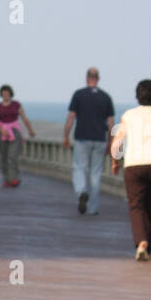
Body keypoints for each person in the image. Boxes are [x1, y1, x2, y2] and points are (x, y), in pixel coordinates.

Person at [64, 67, 115, 216]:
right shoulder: (106, 97)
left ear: (87, 78)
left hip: (82, 138)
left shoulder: (79, 95)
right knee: (95, 173)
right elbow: (111, 122)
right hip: (100, 139)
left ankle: (81, 192)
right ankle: (93, 208)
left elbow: (71, 117)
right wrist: (110, 141)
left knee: (79, 168)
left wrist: (65, 135)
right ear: (98, 78)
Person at [110, 80, 151, 260]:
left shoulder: (129, 115)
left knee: (137, 206)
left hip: (133, 165)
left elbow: (118, 140)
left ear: (137, 96)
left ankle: (142, 242)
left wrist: (115, 161)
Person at [0, 85, 35, 186]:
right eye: (3, 94)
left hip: (14, 132)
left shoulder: (16, 104)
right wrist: (2, 130)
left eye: (7, 94)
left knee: (12, 156)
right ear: (1, 95)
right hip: (2, 133)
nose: (5, 96)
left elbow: (24, 118)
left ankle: (14, 178)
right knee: (4, 157)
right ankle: (6, 179)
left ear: (10, 94)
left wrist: (30, 130)